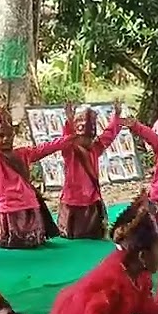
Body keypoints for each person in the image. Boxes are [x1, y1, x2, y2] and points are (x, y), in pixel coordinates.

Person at [0, 106, 71, 248]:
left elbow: (46, 148)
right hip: (8, 206)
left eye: (9, 135)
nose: (6, 139)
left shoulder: (24, 153)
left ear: (13, 135)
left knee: (33, 241)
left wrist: (66, 139)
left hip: (29, 203)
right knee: (7, 241)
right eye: (0, 135)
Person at [55, 101, 122, 239]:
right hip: (72, 199)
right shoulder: (70, 150)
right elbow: (66, 138)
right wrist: (69, 121)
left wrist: (117, 117)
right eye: (82, 137)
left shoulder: (95, 148)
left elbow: (109, 135)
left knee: (93, 232)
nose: (86, 141)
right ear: (75, 136)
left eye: (89, 137)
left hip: (91, 199)